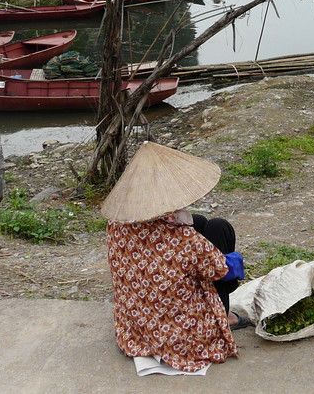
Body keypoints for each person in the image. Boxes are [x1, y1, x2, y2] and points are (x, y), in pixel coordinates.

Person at [102, 141, 241, 373]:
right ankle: (224, 316)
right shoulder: (182, 238)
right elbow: (223, 271)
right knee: (220, 227)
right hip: (184, 335)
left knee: (200, 222)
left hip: (137, 326)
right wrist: (235, 259)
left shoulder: (116, 225)